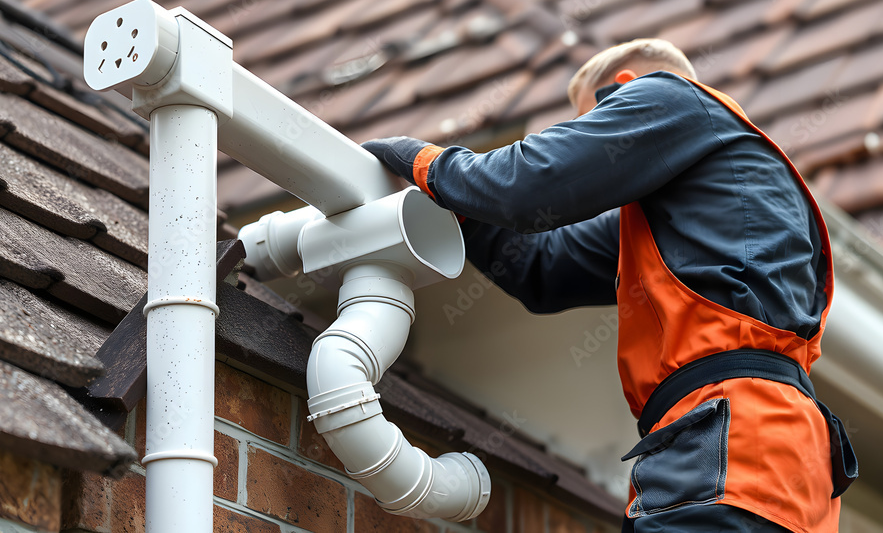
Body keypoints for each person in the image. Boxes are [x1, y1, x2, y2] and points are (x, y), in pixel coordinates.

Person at [361, 38, 856, 532]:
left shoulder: (671, 97)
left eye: (593, 123)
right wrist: (455, 209)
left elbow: (525, 186)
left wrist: (415, 159)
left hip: (731, 455)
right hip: (783, 469)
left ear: (625, 89)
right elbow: (542, 267)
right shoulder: (710, 196)